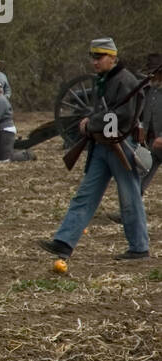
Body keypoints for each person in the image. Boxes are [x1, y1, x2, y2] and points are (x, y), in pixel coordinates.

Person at [39, 39, 150, 261]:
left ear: (112, 57)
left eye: (99, 57)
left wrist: (91, 123)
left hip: (121, 147)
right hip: (102, 146)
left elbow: (122, 116)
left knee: (129, 199)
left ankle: (139, 248)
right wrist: (93, 123)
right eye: (93, 57)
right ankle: (64, 243)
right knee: (84, 196)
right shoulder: (105, 80)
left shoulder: (125, 80)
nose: (94, 62)